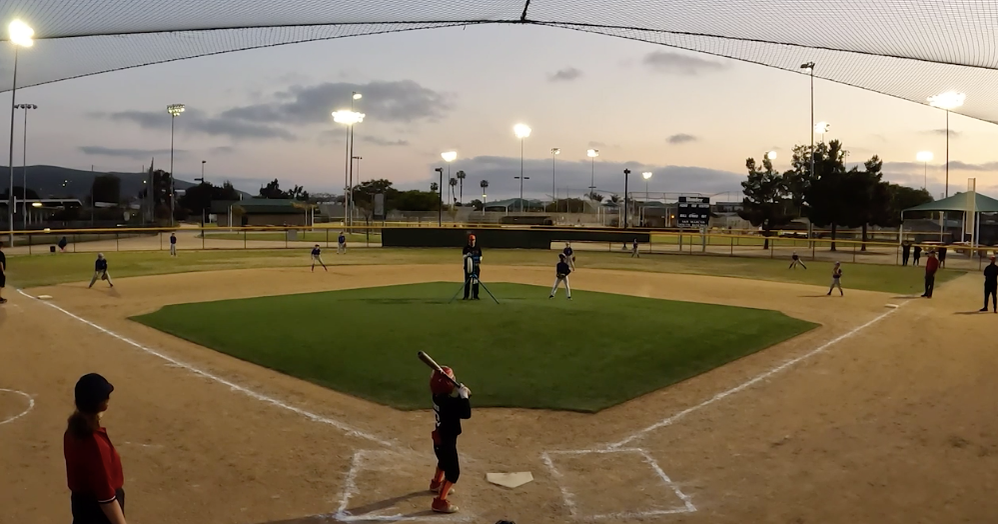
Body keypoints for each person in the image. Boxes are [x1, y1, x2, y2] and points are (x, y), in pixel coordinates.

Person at [64, 373, 128, 524]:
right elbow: (106, 499)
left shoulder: (72, 431)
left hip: (82, 506)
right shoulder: (95, 444)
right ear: (103, 405)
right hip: (97, 514)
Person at [428, 366, 471, 514]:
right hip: (446, 440)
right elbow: (465, 413)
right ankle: (439, 502)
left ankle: (436, 484)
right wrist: (464, 395)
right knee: (453, 473)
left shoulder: (438, 397)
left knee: (443, 461)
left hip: (440, 438)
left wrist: (463, 396)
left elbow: (456, 406)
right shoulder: (449, 403)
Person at [462, 235, 482, 300]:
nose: (472, 242)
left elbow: (480, 255)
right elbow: (463, 256)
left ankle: (475, 295)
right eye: (471, 240)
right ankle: (466, 296)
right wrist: (467, 255)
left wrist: (479, 259)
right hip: (468, 267)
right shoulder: (466, 248)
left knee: (475, 281)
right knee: (467, 281)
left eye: (473, 240)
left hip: (476, 267)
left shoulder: (477, 248)